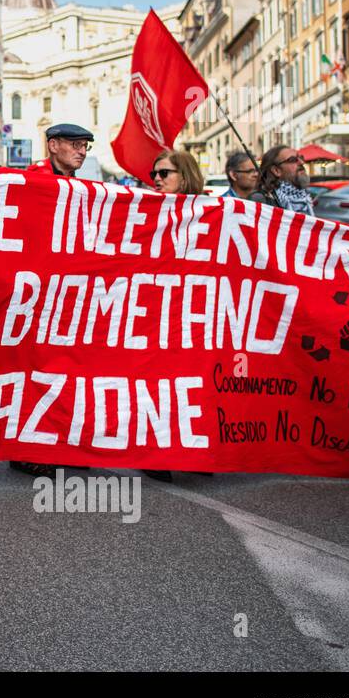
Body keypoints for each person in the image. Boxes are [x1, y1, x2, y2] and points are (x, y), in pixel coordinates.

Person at [146, 148, 212, 483]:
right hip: (158, 311)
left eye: (165, 174)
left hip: (198, 313)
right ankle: (157, 452)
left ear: (184, 176)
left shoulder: (214, 213)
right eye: (154, 174)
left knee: (196, 382)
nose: (157, 179)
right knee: (160, 382)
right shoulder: (144, 210)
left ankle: (197, 450)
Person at [251, 146, 314, 214]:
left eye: (301, 158)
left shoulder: (306, 198)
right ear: (276, 171)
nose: (301, 162)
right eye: (292, 160)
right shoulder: (262, 201)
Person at [28, 123, 93, 177]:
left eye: (85, 146)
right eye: (77, 144)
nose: (83, 152)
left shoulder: (75, 182)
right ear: (53, 146)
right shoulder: (35, 177)